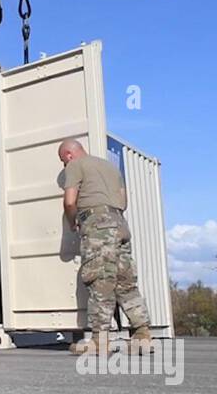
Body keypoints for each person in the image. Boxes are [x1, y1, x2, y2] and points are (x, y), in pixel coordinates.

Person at [57, 138, 153, 355]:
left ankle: (100, 341)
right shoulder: (109, 166)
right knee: (125, 282)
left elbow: (70, 201)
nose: (65, 166)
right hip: (120, 223)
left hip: (98, 226)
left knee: (100, 280)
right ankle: (143, 336)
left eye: (63, 161)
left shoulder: (75, 165)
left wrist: (73, 221)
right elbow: (123, 201)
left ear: (69, 156)